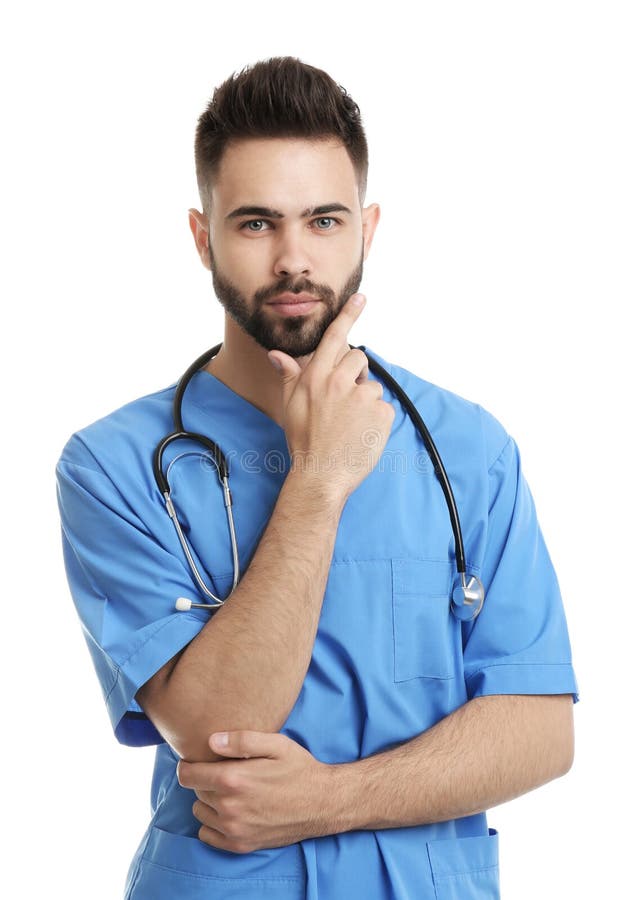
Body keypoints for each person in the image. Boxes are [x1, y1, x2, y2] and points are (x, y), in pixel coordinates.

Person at [56, 56, 579, 899]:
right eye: (257, 223)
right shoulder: (114, 465)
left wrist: (326, 801)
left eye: (325, 221)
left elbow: (540, 728)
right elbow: (215, 726)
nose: (294, 258)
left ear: (367, 230)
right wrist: (319, 480)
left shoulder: (466, 448)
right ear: (203, 237)